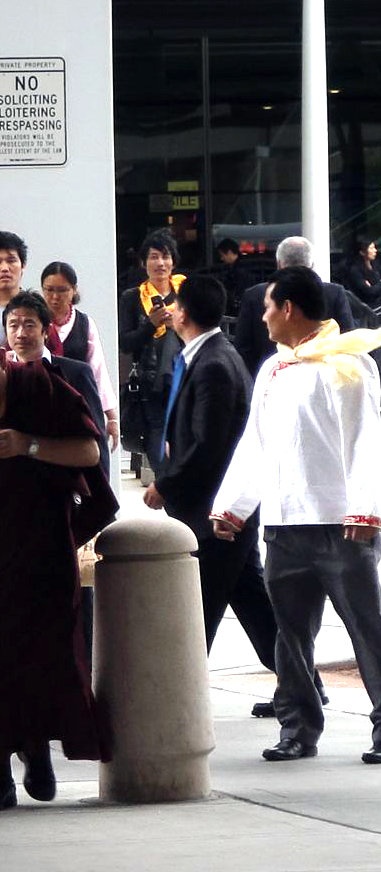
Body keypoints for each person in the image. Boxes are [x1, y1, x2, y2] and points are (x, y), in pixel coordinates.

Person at [0, 325, 114, 812]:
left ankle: (37, 750)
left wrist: (29, 445)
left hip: (38, 551)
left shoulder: (39, 388)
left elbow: (90, 451)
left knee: (41, 657)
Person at [211, 267, 381, 764]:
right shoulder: (273, 370)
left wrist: (365, 509)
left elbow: (367, 443)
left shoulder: (348, 367)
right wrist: (234, 507)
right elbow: (255, 445)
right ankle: (298, 728)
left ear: (289, 309)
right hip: (284, 525)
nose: (261, 317)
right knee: (290, 637)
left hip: (341, 526)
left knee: (367, 629)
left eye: (267, 306)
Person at [142, 274, 299, 719]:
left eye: (173, 305)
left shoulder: (214, 363)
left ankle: (176, 698)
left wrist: (165, 484)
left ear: (184, 312)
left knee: (200, 607)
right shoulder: (206, 356)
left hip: (218, 512)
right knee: (252, 602)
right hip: (220, 512)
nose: (169, 310)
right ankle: (301, 684)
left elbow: (209, 446)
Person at [4, 291, 111, 484]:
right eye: (13, 325)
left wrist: (102, 494)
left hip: (65, 481)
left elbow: (97, 438)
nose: (20, 334)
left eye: (29, 325)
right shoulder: (1, 376)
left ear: (45, 331)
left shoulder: (75, 373)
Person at [234, 236, 356, 377]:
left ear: (279, 264)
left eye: (268, 307)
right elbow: (347, 339)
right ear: (311, 264)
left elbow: (243, 348)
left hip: (270, 382)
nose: (265, 317)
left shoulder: (254, 294)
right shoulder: (334, 293)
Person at [118, 229, 185, 474]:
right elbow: (126, 342)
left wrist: (175, 325)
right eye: (154, 257)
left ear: (173, 262)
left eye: (165, 257)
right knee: (157, 438)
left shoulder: (186, 292)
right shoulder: (132, 297)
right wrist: (151, 325)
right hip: (150, 382)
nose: (160, 263)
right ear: (144, 263)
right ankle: (165, 486)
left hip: (184, 376)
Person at [40, 261, 119, 452]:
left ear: (74, 291)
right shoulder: (34, 322)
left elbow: (97, 372)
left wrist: (112, 417)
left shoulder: (85, 324)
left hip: (78, 406)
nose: (55, 297)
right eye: (49, 290)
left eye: (62, 290)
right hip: (42, 406)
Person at [341, 237, 381, 310]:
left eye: (375, 248)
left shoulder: (376, 264)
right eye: (371, 248)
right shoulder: (355, 270)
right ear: (362, 252)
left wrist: (375, 286)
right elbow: (369, 292)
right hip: (366, 307)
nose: (375, 251)